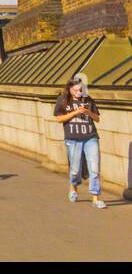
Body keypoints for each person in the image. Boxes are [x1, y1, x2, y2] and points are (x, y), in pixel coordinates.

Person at [54, 77, 106, 208]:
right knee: (75, 169)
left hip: (91, 137)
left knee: (94, 168)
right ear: (69, 89)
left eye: (80, 89)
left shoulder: (88, 100)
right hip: (73, 138)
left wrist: (88, 111)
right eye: (75, 89)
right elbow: (59, 119)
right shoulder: (63, 100)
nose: (78, 92)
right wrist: (75, 112)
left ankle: (96, 198)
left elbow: (97, 119)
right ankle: (73, 187)